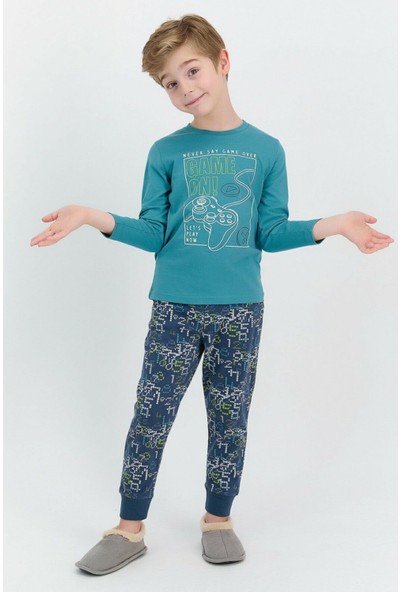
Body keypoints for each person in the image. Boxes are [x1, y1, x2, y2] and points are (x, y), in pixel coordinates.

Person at [30, 14, 394, 575]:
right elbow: (154, 232)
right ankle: (128, 528)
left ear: (223, 61)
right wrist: (90, 216)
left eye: (192, 70)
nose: (184, 88)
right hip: (173, 309)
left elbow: (271, 233)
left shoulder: (267, 150)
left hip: (240, 311)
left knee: (230, 417)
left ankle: (218, 519)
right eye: (170, 83)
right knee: (150, 416)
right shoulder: (165, 152)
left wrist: (335, 224)